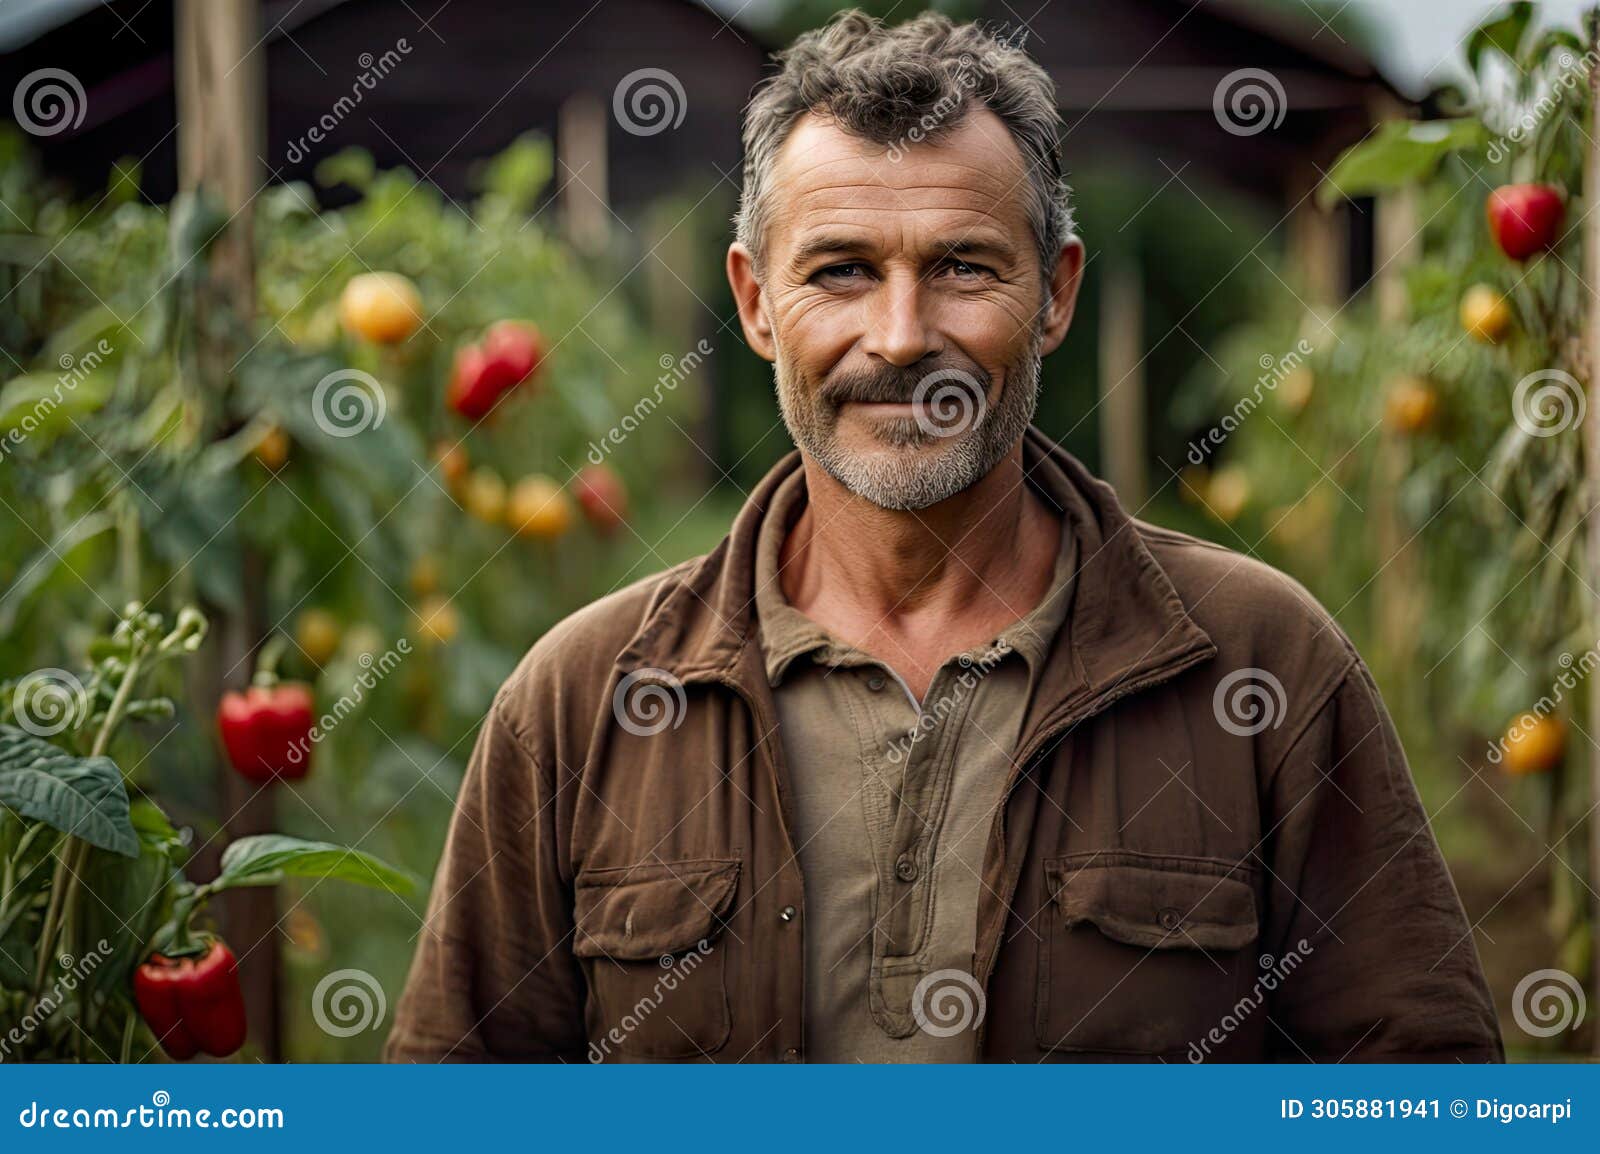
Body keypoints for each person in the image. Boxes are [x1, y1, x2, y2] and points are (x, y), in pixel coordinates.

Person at [387, 10, 1501, 1063]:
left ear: (1054, 293)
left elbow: (1422, 1084)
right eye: (841, 270)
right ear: (756, 301)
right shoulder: (580, 703)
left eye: (963, 265)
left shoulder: (1262, 665)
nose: (902, 335)